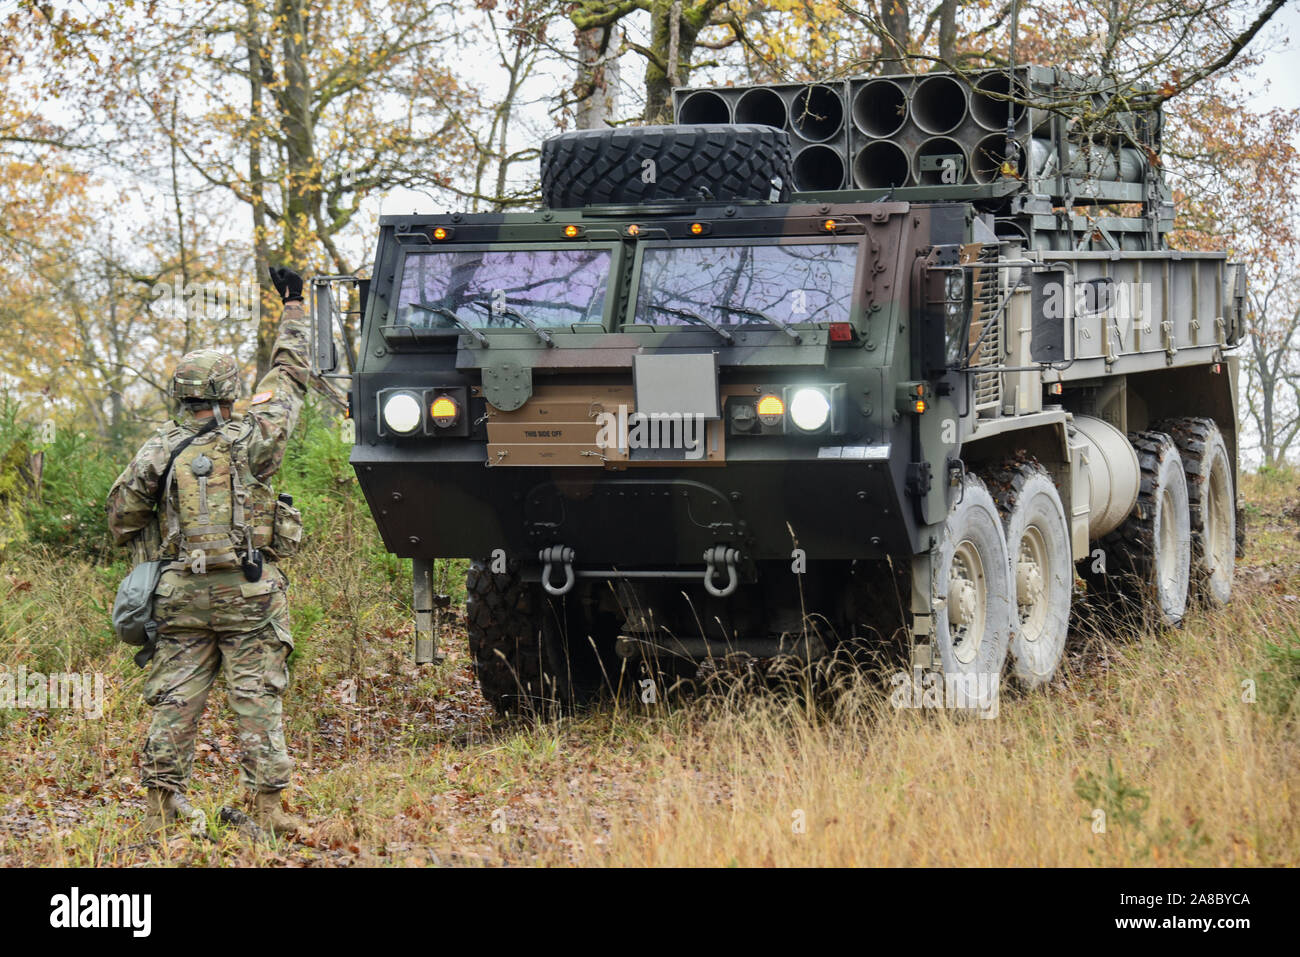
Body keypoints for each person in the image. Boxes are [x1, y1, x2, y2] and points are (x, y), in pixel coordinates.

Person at [106, 266, 311, 837]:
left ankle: (161, 812)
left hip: (181, 597)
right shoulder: (259, 431)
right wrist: (294, 305)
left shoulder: (162, 446)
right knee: (257, 700)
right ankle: (269, 816)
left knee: (174, 701)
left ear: (182, 394)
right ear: (228, 391)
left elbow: (121, 518)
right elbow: (290, 373)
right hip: (249, 592)